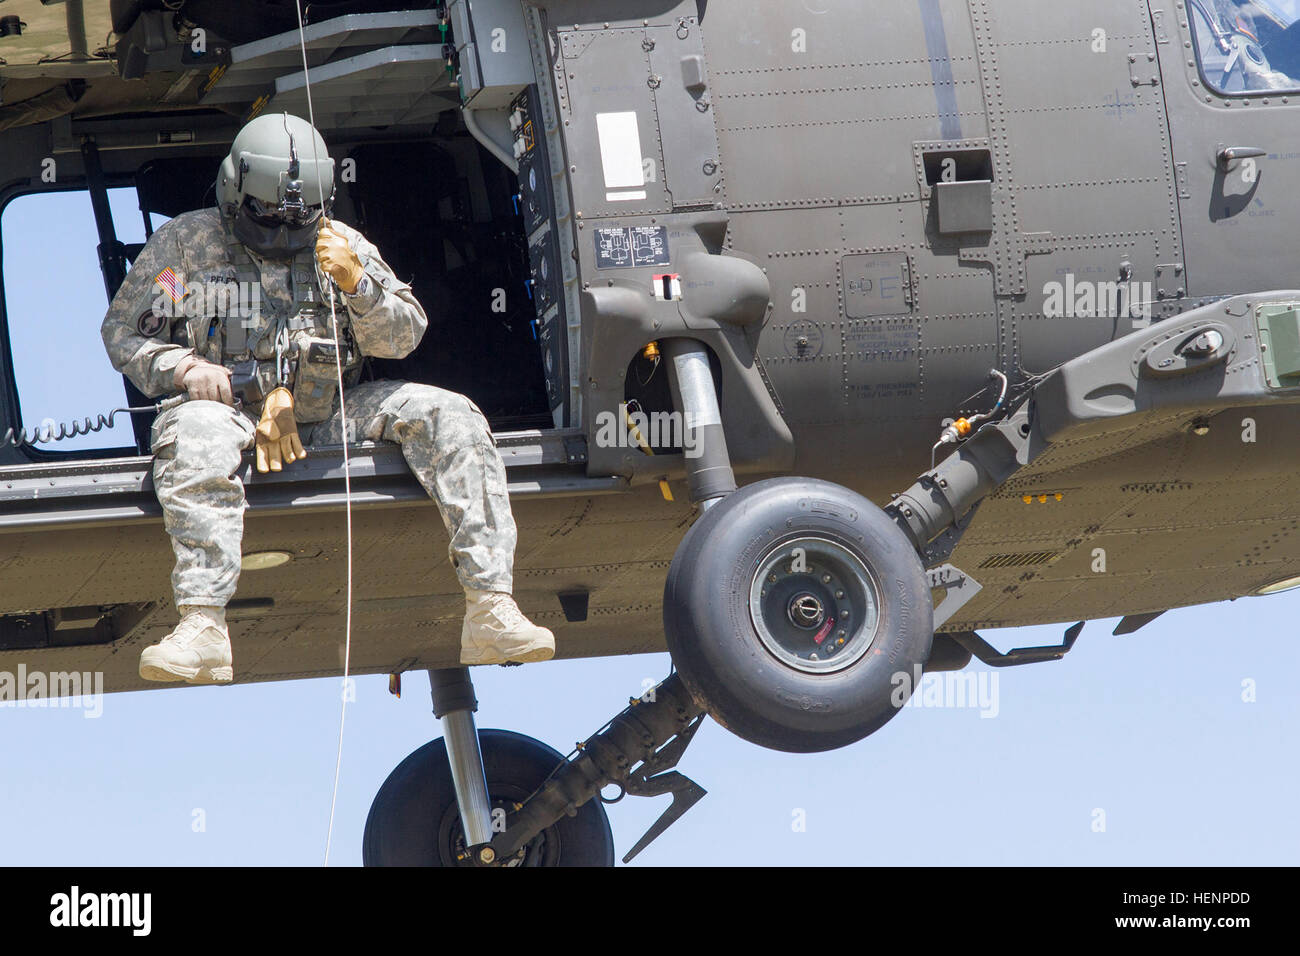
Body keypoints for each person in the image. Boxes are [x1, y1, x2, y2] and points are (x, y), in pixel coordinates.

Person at [100, 113, 554, 683]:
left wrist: (356, 284)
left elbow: (405, 336)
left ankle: (491, 608)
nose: (283, 229)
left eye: (298, 216)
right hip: (228, 415)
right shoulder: (185, 248)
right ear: (234, 192)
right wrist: (186, 369)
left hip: (333, 413)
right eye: (268, 214)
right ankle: (203, 624)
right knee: (192, 435)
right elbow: (127, 332)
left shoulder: (342, 244)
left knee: (452, 415)